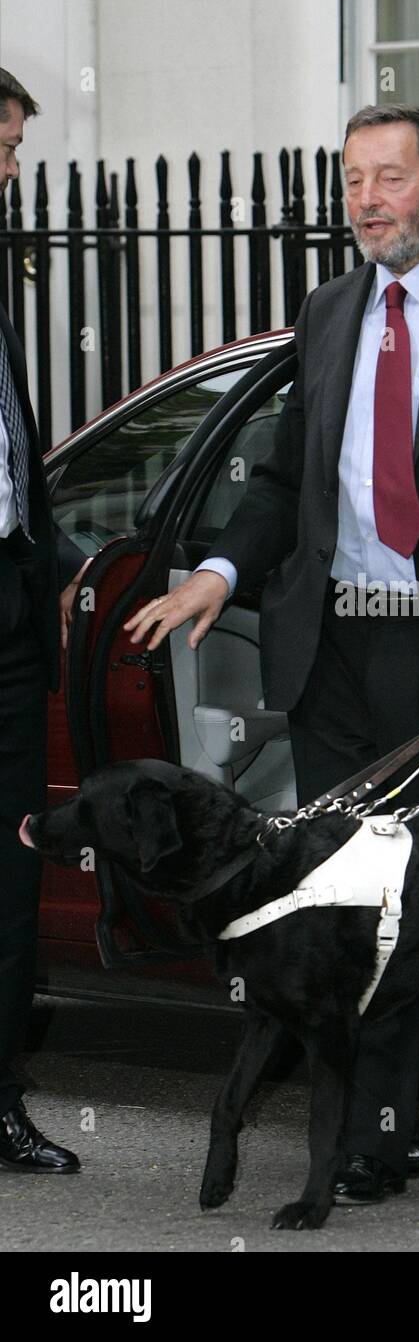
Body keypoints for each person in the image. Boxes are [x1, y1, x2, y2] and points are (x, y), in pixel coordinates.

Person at [126, 104, 419, 1202]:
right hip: (339, 648)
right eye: (352, 181)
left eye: (389, 177)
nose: (366, 200)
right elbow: (291, 481)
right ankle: (372, 1137)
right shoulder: (328, 311)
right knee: (352, 900)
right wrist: (221, 572)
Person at [0, 68, 90, 1172]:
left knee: (13, 875)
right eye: (5, 146)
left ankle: (1, 1097)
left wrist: (62, 561)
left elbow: (19, 458)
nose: (13, 169)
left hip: (11, 613)